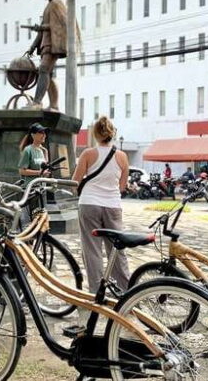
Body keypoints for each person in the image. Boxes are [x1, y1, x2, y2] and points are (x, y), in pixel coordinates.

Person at [72, 116, 131, 293]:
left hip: (89, 203)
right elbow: (122, 187)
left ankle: (97, 292)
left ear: (95, 134)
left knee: (92, 250)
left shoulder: (88, 154)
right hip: (113, 205)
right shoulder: (122, 156)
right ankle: (124, 291)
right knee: (116, 249)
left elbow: (75, 182)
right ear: (113, 133)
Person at [26, 0, 67, 110]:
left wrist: (42, 27)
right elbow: (42, 30)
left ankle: (37, 101)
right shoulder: (48, 6)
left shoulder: (57, 4)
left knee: (43, 70)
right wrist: (32, 47)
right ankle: (54, 104)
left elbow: (60, 25)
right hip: (45, 44)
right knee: (48, 73)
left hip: (52, 44)